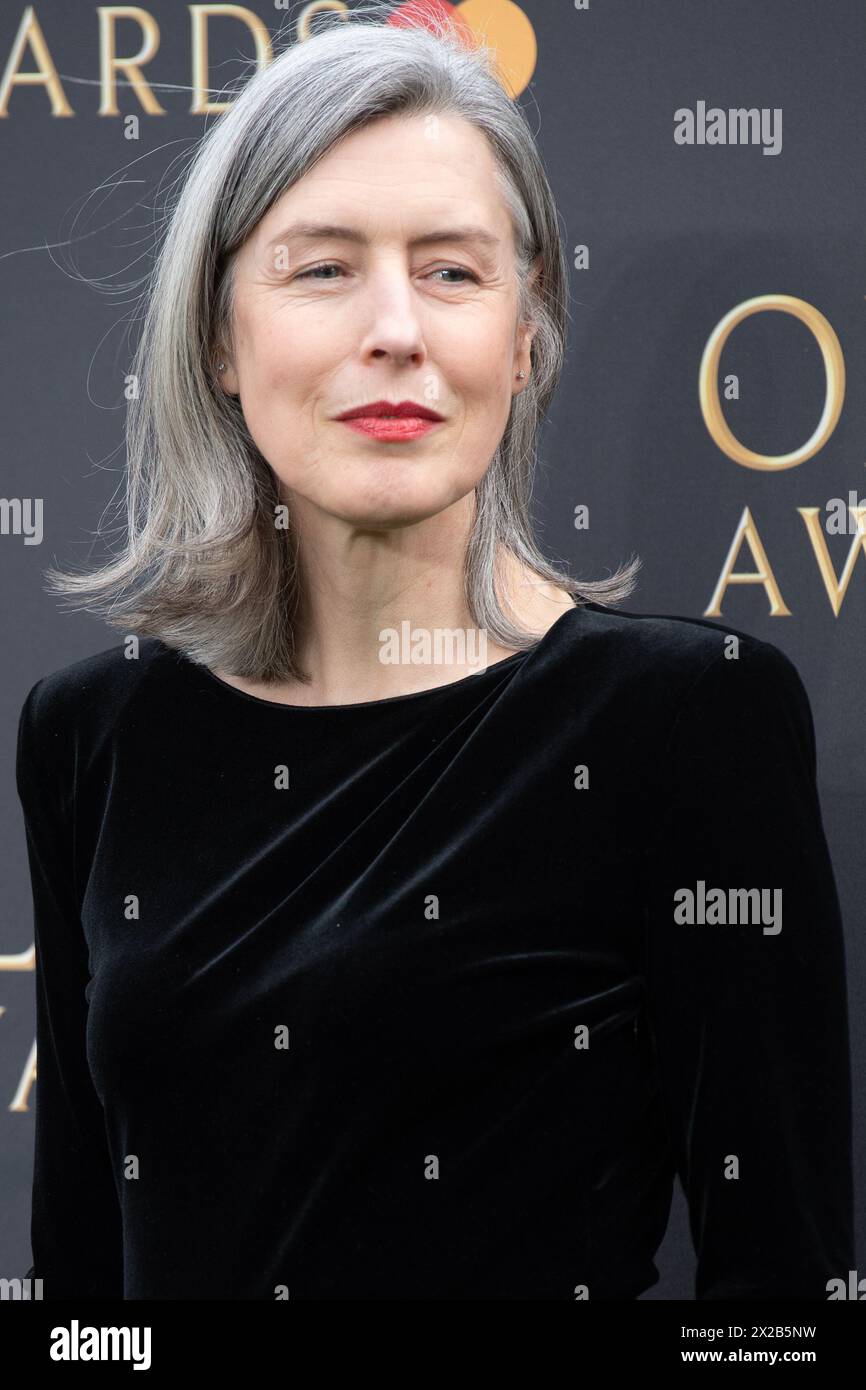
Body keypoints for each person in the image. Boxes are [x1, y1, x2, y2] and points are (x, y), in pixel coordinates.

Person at [16, 9, 853, 1299]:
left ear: (525, 340)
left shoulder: (683, 722)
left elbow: (781, 1297)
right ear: (219, 345)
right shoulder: (93, 733)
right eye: (324, 269)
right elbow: (78, 1286)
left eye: (454, 271)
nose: (396, 329)